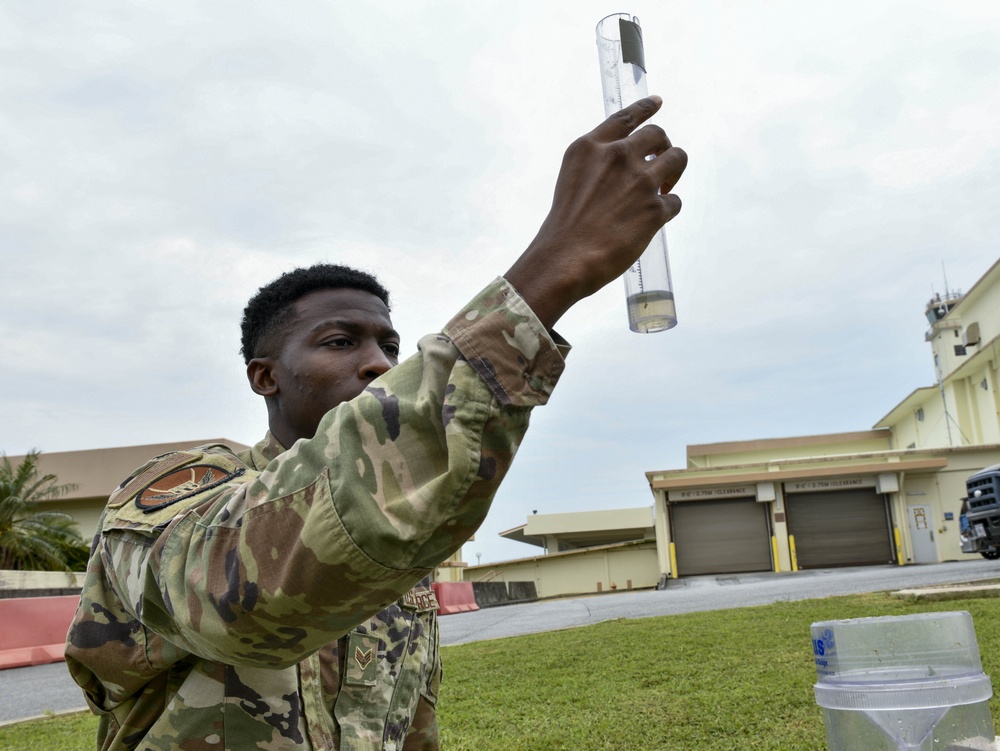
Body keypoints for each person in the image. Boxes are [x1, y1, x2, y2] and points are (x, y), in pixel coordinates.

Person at [65, 96, 687, 750]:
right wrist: (544, 277)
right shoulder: (176, 495)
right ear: (265, 375)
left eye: (390, 347)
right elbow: (248, 591)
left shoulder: (395, 543)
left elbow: (410, 729)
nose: (377, 364)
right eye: (340, 341)